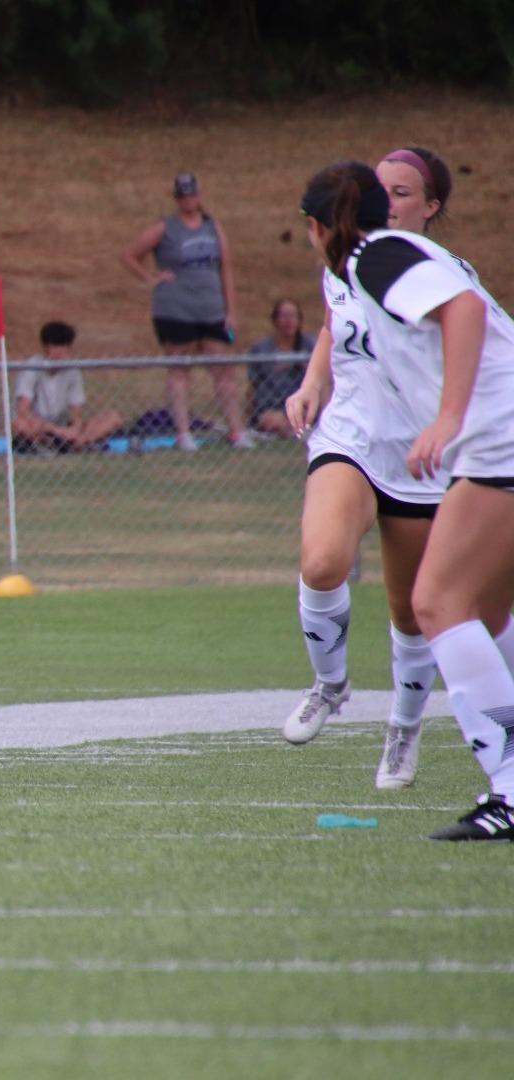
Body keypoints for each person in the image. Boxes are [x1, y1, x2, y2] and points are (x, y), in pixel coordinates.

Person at [305, 158, 514, 840]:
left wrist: (449, 417)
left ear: (316, 227)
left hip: (497, 438)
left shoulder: (375, 255)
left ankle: (510, 791)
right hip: (490, 442)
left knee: (434, 605)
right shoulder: (370, 268)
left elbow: (465, 309)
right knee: (485, 613)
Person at [280, 148, 453, 792]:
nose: (386, 202)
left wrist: (451, 418)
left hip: (419, 452)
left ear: (431, 207)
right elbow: (334, 322)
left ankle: (404, 729)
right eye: (382, 190)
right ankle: (330, 684)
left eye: (404, 193)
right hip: (350, 434)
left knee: (411, 610)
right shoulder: (344, 260)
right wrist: (312, 380)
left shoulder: (437, 272)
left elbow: (478, 337)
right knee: (322, 560)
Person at [120, 171, 251, 450]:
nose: (187, 199)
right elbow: (130, 254)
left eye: (191, 193)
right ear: (176, 198)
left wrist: (231, 310)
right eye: (182, 195)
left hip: (212, 308)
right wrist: (151, 278)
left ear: (199, 195)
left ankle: (236, 431)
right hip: (176, 309)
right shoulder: (165, 227)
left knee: (223, 369)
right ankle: (183, 434)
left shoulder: (212, 226)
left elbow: (225, 266)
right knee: (180, 369)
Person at [10, 321, 123, 454]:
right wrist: (57, 430)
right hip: (38, 425)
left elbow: (76, 412)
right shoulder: (31, 368)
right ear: (45, 347)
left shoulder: (72, 370)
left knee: (113, 417)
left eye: (63, 346)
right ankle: (48, 444)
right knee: (18, 425)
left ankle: (77, 443)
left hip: (60, 424)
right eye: (55, 346)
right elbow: (23, 411)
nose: (59, 351)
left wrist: (75, 428)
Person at [245, 298, 314, 438]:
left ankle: (298, 430)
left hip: (301, 404)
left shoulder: (309, 345)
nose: (289, 321)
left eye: (293, 316)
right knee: (272, 421)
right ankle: (295, 432)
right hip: (271, 407)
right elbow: (252, 386)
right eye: (284, 316)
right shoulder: (261, 349)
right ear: (275, 320)